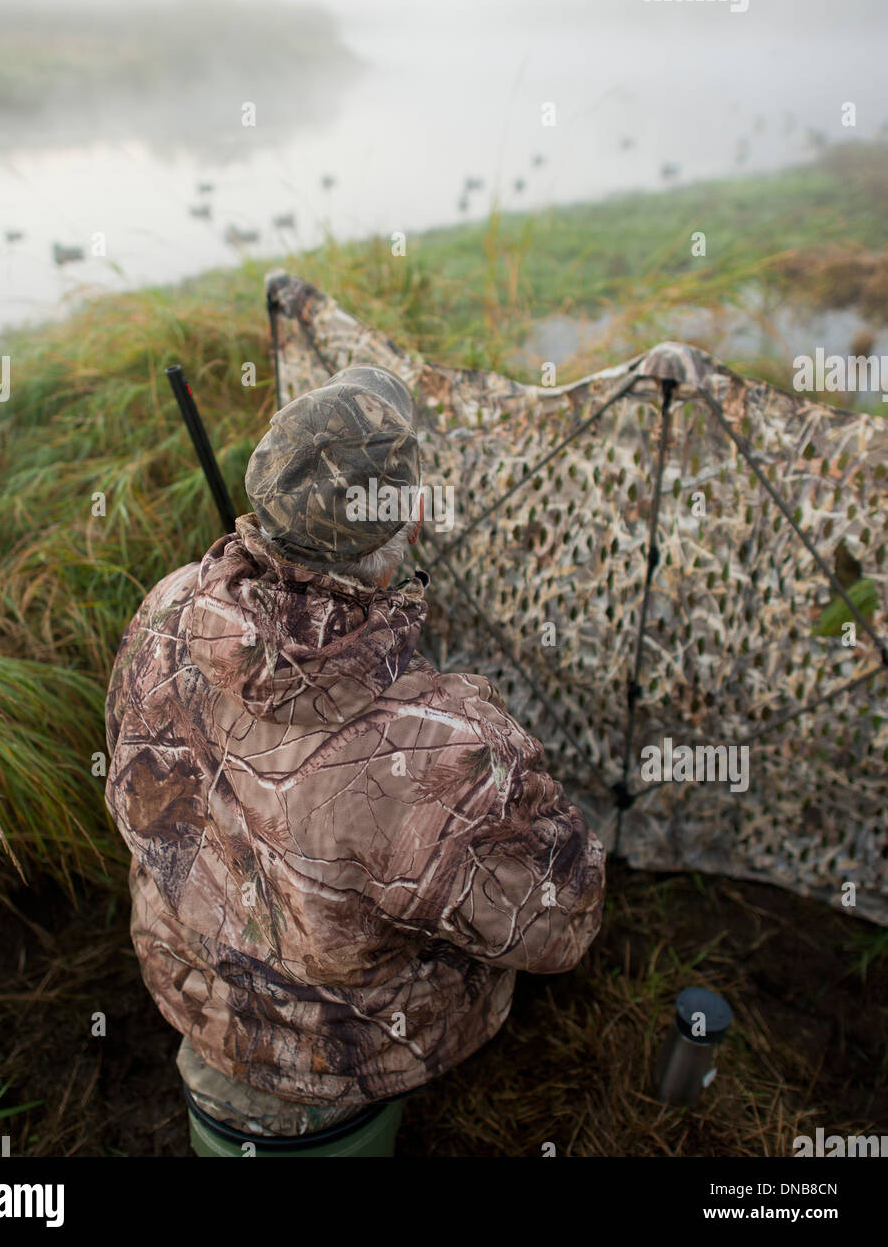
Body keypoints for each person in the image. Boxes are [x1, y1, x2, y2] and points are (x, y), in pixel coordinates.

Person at [104, 362, 605, 1146]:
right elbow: (559, 927)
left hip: (193, 986)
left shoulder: (168, 605)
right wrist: (525, 804)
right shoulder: (449, 747)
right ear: (408, 525)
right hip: (341, 1058)